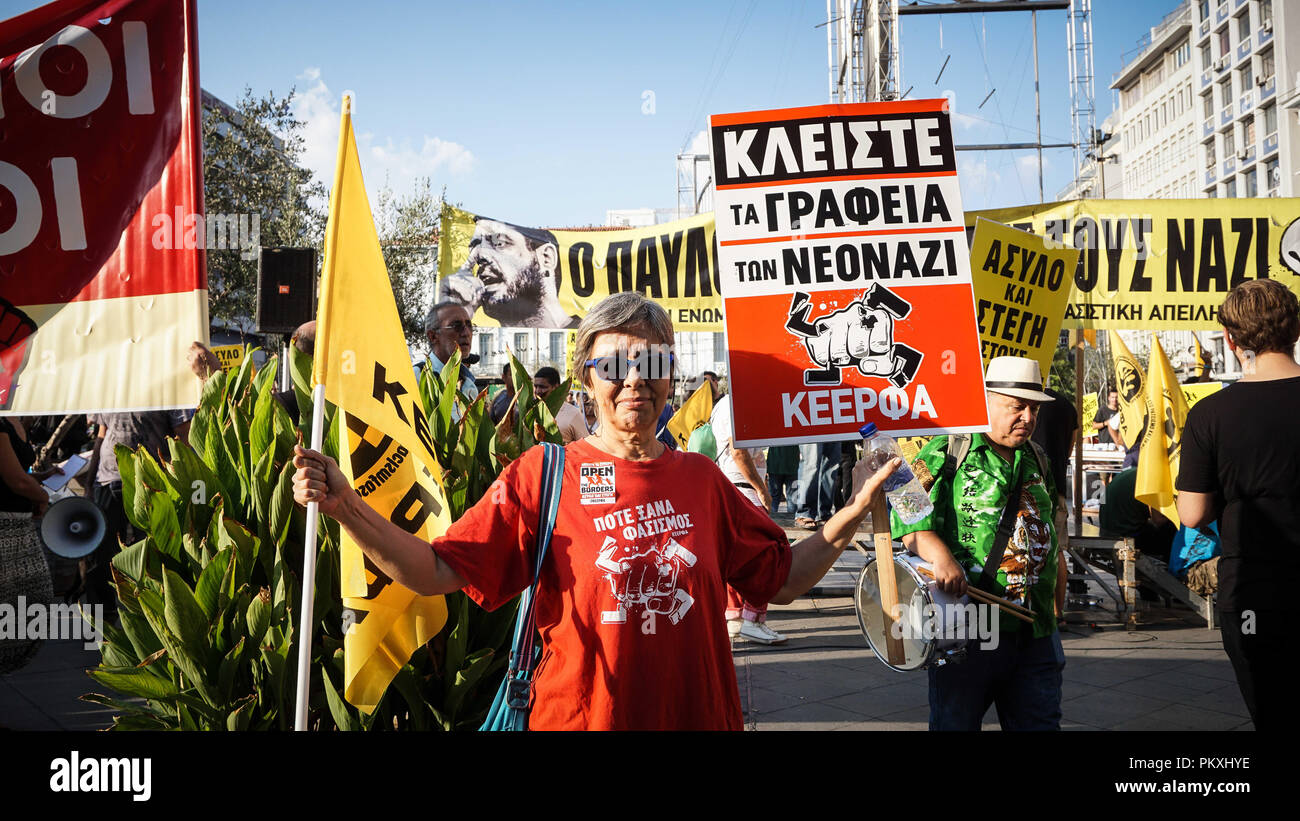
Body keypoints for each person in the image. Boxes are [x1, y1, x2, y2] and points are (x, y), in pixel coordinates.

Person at [292, 292, 900, 730]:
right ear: (587, 378)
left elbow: (784, 579)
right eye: (615, 366)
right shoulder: (543, 473)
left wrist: (852, 509)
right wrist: (346, 506)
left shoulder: (703, 480)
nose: (636, 380)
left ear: (672, 379)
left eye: (655, 363)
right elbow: (436, 571)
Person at [892, 356, 1067, 731]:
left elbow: (1051, 526)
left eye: (1034, 409)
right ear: (984, 399)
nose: (1028, 418)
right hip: (969, 626)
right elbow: (905, 512)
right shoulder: (945, 448)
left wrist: (1058, 593)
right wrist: (940, 557)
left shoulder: (1038, 457)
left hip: (1036, 629)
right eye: (1017, 406)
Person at [1176, 279, 1300, 731]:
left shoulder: (1209, 414)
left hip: (1255, 591)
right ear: (1296, 330)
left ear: (1231, 339)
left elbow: (1192, 514)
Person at [84, 342, 216, 623]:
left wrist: (186, 480)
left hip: (150, 484)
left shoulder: (165, 388)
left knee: (151, 552)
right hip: (109, 480)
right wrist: (89, 479)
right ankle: (102, 619)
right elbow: (101, 433)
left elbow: (183, 436)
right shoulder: (109, 387)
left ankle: (151, 617)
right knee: (101, 550)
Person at [709, 390, 786, 645]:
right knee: (764, 556)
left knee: (737, 558)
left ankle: (737, 619)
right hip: (742, 487)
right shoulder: (734, 405)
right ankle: (752, 620)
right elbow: (738, 452)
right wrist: (761, 489)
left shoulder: (727, 404)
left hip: (736, 486)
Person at [439, 218, 579, 329]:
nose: (480, 257)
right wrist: (455, 317)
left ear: (546, 257)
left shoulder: (593, 341)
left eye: (499, 243)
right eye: (475, 248)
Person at [0, 414, 56, 674]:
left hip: (18, 527)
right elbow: (16, 481)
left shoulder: (13, 421)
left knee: (27, 608)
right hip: (6, 529)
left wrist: (42, 477)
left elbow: (21, 474)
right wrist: (42, 497)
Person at [421, 301, 478, 403]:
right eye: (456, 326)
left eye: (469, 326)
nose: (466, 333)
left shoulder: (469, 386)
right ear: (433, 336)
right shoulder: (418, 379)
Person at [533, 366, 589, 444]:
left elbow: (585, 446)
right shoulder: (531, 412)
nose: (538, 391)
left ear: (556, 387)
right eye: (535, 386)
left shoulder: (573, 414)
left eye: (542, 387)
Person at [795, 441, 840, 529]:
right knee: (811, 463)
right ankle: (804, 512)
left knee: (832, 467)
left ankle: (824, 513)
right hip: (811, 428)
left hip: (833, 428)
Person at [766, 445, 800, 515]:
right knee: (792, 498)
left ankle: (771, 520)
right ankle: (792, 521)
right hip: (793, 464)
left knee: (774, 497)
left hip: (774, 465)